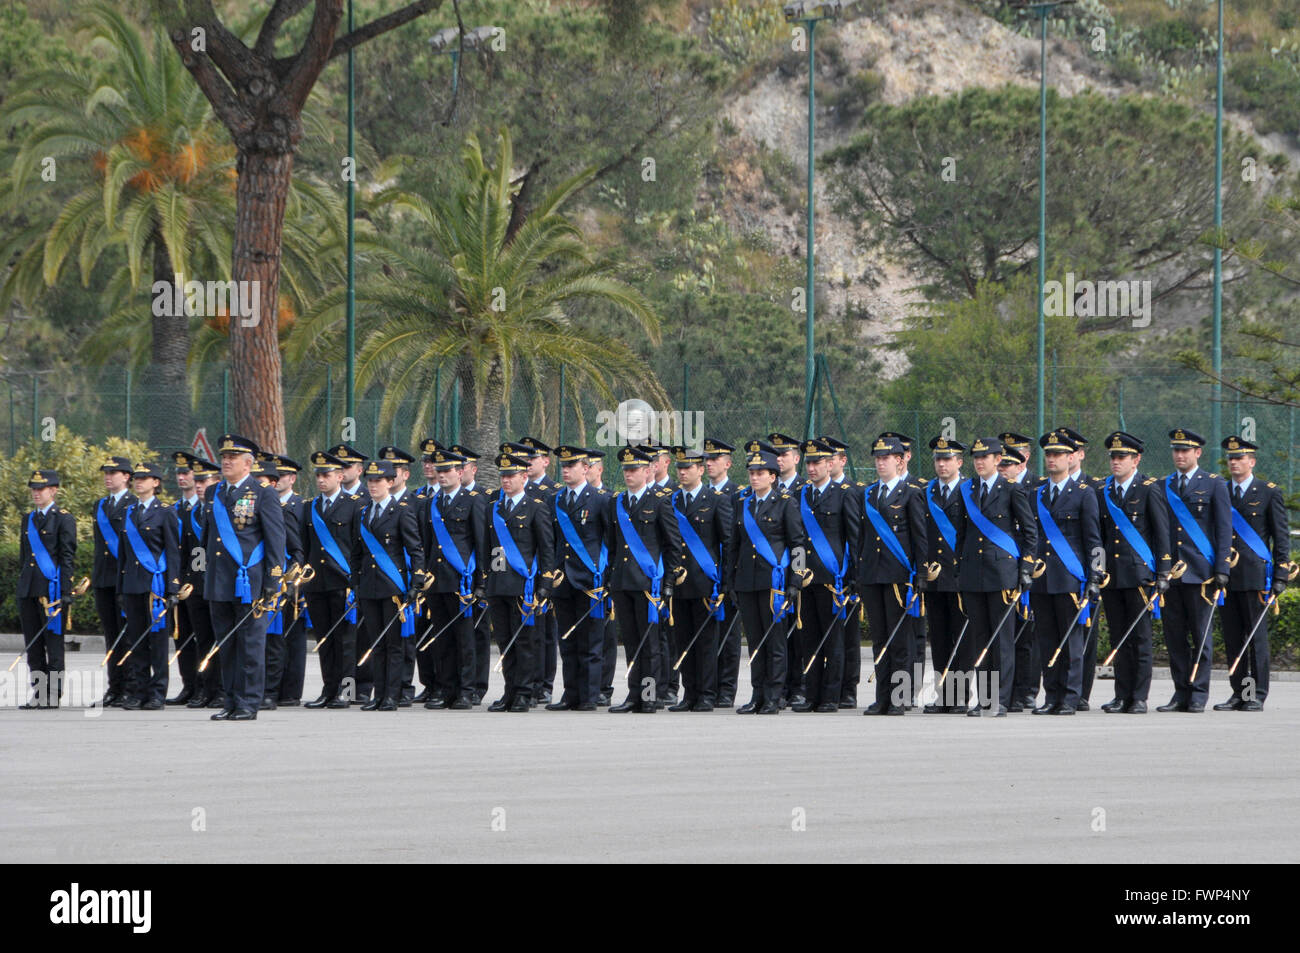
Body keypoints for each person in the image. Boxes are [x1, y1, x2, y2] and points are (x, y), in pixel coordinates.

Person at [204, 434, 287, 721]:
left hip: (249, 581)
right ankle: (230, 700)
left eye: (233, 458)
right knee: (226, 645)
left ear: (248, 463)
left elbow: (276, 541)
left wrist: (272, 582)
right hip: (220, 581)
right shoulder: (213, 492)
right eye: (224, 457)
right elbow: (209, 539)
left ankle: (249, 702)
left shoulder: (262, 493)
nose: (226, 461)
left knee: (251, 646)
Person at [953, 437, 1038, 716]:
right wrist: (959, 569)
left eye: (985, 457)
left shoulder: (1010, 489)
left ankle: (1001, 699)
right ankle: (985, 699)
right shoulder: (967, 489)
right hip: (973, 573)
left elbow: (1029, 532)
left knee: (1001, 640)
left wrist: (1025, 568)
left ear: (997, 459)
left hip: (1002, 573)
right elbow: (962, 533)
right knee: (981, 639)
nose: (979, 461)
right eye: (976, 457)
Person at [1029, 431, 1103, 716]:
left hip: (1070, 577)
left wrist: (1095, 575)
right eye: (1048, 454)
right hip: (1042, 579)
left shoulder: (1084, 493)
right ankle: (1052, 696)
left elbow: (1093, 539)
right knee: (1046, 639)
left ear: (1071, 458)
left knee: (1071, 641)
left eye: (1057, 454)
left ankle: (1071, 697)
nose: (1051, 459)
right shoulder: (1038, 493)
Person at [1158, 428, 1231, 713]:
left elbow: (1224, 530)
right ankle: (1180, 692)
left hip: (1202, 573)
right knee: (1175, 637)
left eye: (1185, 450)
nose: (1179, 455)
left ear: (1197, 453)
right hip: (1171, 574)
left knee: (1201, 635)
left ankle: (1198, 692)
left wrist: (1222, 567)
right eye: (1176, 450)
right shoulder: (1164, 485)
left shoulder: (1214, 485)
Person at [1097, 432, 1171, 715]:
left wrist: (1163, 571)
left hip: (1140, 576)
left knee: (1139, 638)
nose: (1116, 462)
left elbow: (1161, 533)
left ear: (1136, 459)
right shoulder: (1104, 491)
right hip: (1112, 575)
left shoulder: (1149, 488)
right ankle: (1121, 695)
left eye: (1122, 457)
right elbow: (1101, 536)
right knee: (1119, 637)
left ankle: (1139, 696)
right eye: (1113, 457)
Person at [1215, 436, 1291, 711]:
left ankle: (1256, 694)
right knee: (1234, 639)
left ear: (1252, 461)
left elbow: (1281, 538)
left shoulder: (1268, 492)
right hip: (1226, 576)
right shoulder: (1221, 491)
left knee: (1254, 639)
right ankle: (1239, 693)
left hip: (1256, 576)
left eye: (1240, 458)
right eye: (1231, 458)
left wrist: (1282, 573)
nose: (1234, 462)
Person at [729, 447, 806, 714]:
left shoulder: (786, 502)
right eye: (751, 473)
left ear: (773, 476)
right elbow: (734, 545)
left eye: (760, 473)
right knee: (754, 641)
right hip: (747, 582)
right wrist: (731, 581)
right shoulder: (743, 503)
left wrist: (795, 580)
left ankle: (774, 695)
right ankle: (757, 694)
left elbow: (797, 545)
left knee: (774, 642)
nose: (754, 478)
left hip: (774, 583)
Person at [607, 445, 684, 713]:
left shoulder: (661, 501)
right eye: (626, 469)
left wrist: (668, 582)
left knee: (650, 645)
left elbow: (674, 546)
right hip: (622, 583)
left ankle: (650, 696)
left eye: (634, 469)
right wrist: (610, 579)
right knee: (631, 643)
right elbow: (613, 547)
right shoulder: (617, 503)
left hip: (648, 585)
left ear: (648, 470)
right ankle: (634, 695)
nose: (629, 474)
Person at [858, 435, 928, 715]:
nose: (880, 463)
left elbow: (919, 537)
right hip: (873, 575)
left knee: (900, 640)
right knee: (880, 640)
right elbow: (863, 538)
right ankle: (882, 697)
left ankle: (900, 698)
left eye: (885, 458)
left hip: (899, 576)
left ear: (899, 461)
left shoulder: (911, 493)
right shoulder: (869, 493)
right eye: (877, 458)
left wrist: (921, 571)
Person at [350, 459, 426, 711]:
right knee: (376, 642)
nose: (372, 486)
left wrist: (416, 582)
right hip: (369, 586)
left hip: (393, 587)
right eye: (370, 481)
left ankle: (392, 695)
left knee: (393, 644)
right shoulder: (363, 512)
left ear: (390, 482)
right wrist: (355, 580)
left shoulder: (402, 511)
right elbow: (357, 552)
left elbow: (415, 549)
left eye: (378, 481)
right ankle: (378, 693)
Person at [484, 451, 557, 712]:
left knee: (526, 642)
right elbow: (487, 548)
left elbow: (547, 548)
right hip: (497, 584)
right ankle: (510, 691)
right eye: (502, 475)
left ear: (524, 477)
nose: (505, 480)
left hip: (523, 586)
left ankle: (525, 692)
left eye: (511, 475)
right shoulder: (494, 508)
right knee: (505, 641)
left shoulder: (536, 507)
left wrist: (545, 584)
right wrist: (486, 580)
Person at [793, 439, 858, 712]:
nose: (811, 468)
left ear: (830, 464)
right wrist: (796, 573)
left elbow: (853, 538)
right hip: (807, 579)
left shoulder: (844, 494)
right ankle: (812, 695)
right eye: (808, 462)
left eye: (817, 462)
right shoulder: (800, 495)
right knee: (810, 639)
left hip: (834, 580)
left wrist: (853, 576)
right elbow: (795, 540)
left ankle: (831, 696)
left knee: (834, 641)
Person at [420, 448, 487, 710]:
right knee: (442, 638)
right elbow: (427, 545)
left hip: (463, 582)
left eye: (448, 471)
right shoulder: (431, 503)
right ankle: (445, 689)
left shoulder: (473, 501)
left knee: (465, 639)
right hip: (437, 582)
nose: (443, 475)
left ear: (460, 473)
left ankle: (466, 690)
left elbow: (481, 544)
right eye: (440, 471)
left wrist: (481, 582)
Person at [667, 445, 733, 711]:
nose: (682, 473)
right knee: (683, 640)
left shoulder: (716, 500)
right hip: (679, 585)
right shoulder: (671, 501)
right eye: (679, 468)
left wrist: (725, 582)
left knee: (706, 642)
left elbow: (727, 543)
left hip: (706, 582)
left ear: (700, 469)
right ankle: (690, 693)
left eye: (688, 468)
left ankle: (707, 693)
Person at [549, 446, 612, 711]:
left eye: (571, 466)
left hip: (590, 583)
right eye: (563, 466)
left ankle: (589, 695)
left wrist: (606, 579)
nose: (565, 470)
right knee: (567, 641)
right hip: (563, 582)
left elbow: (610, 541)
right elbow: (554, 542)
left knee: (591, 643)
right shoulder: (557, 500)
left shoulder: (600, 500)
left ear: (585, 469)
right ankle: (570, 694)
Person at [116, 461, 182, 711]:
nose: (139, 482)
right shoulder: (129, 512)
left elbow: (174, 552)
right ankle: (138, 691)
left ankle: (157, 693)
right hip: (132, 584)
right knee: (136, 641)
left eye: (145, 478)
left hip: (156, 586)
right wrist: (121, 588)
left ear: (156, 483)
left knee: (157, 642)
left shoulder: (165, 512)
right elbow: (123, 555)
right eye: (137, 478)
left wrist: (173, 587)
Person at [301, 451, 363, 709]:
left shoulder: (355, 506)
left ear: (340, 476)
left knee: (345, 641)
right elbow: (304, 548)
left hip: (343, 582)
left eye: (326, 475)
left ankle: (346, 692)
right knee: (324, 639)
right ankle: (328, 689)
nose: (321, 480)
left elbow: (359, 547)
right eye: (318, 475)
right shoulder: (309, 507)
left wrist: (356, 581)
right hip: (317, 583)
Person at [17, 470, 76, 708]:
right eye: (33, 489)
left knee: (54, 645)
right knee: (34, 646)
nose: (36, 493)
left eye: (41, 489)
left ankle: (53, 693)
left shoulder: (63, 518)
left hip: (51, 592)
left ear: (53, 490)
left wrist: (66, 591)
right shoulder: (28, 519)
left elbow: (67, 557)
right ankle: (39, 692)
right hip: (29, 588)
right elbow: (24, 557)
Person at [168, 452, 220, 707]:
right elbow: (188, 553)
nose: (199, 485)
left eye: (204, 480)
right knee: (191, 639)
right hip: (194, 586)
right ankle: (196, 686)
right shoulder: (189, 513)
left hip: (218, 585)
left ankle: (215, 689)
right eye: (197, 480)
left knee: (212, 639)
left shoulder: (219, 510)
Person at [922, 438, 968, 713]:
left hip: (960, 577)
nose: (941, 464)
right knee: (938, 640)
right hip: (933, 578)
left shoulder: (970, 491)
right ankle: (943, 696)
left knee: (962, 639)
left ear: (959, 463)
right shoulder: (926, 491)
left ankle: (961, 696)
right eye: (938, 459)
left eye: (947, 459)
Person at [262, 454, 306, 709]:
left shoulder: (297, 506)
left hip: (287, 582)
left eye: (280, 476)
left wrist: (293, 581)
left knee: (286, 639)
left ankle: (287, 691)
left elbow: (299, 549)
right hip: (264, 578)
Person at [703, 439, 744, 708]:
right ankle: (706, 687)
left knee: (728, 636)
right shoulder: (701, 493)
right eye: (707, 459)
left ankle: (726, 689)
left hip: (726, 575)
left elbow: (733, 540)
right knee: (706, 636)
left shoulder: (737, 494)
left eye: (715, 459)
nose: (709, 464)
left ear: (728, 464)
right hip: (704, 574)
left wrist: (730, 578)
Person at [92, 455, 135, 706]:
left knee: (127, 634)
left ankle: (131, 686)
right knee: (111, 635)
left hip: (125, 577)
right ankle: (114, 687)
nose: (108, 477)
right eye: (106, 473)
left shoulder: (132, 504)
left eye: (114, 472)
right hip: (104, 578)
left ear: (126, 476)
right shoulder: (100, 505)